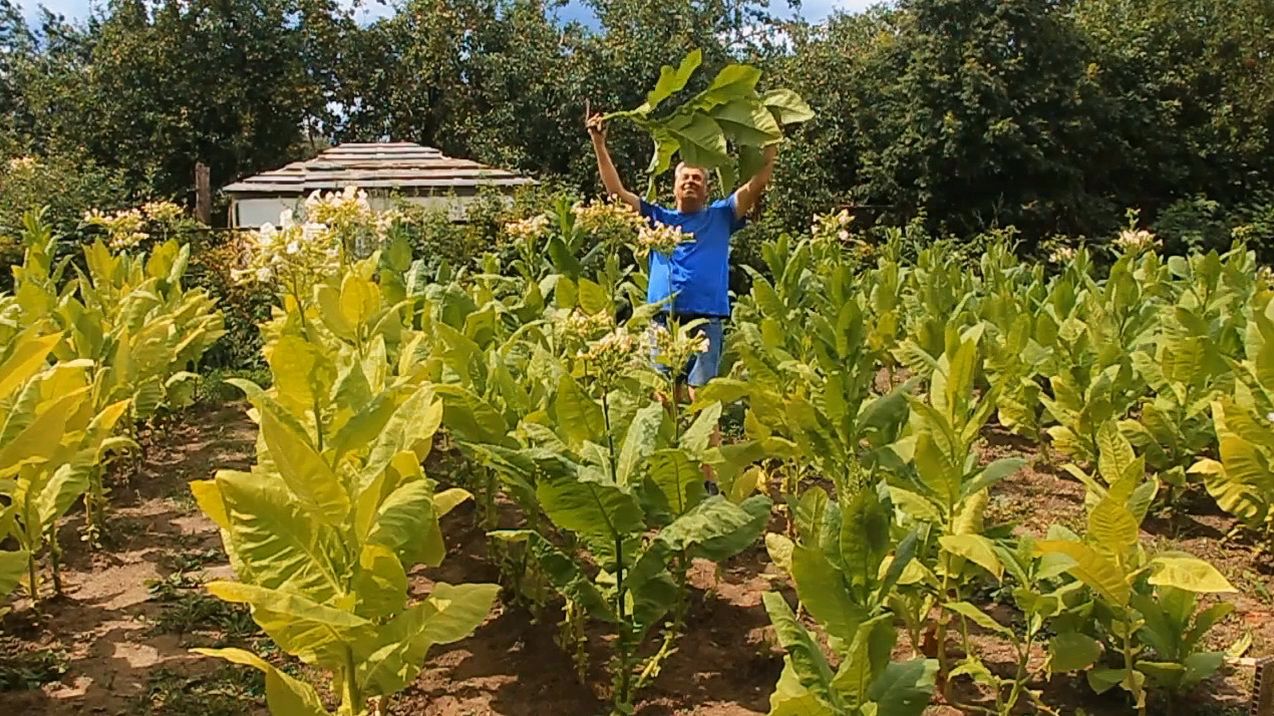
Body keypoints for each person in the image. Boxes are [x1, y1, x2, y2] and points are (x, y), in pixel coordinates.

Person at [587, 110, 778, 489]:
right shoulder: (657, 218)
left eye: (697, 179)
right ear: (674, 188)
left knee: (702, 401)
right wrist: (599, 143)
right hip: (663, 321)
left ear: (706, 190)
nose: (691, 182)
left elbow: (757, 183)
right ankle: (669, 479)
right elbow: (616, 193)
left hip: (706, 321)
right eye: (685, 178)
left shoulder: (721, 216)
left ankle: (708, 483)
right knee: (663, 400)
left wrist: (770, 144)